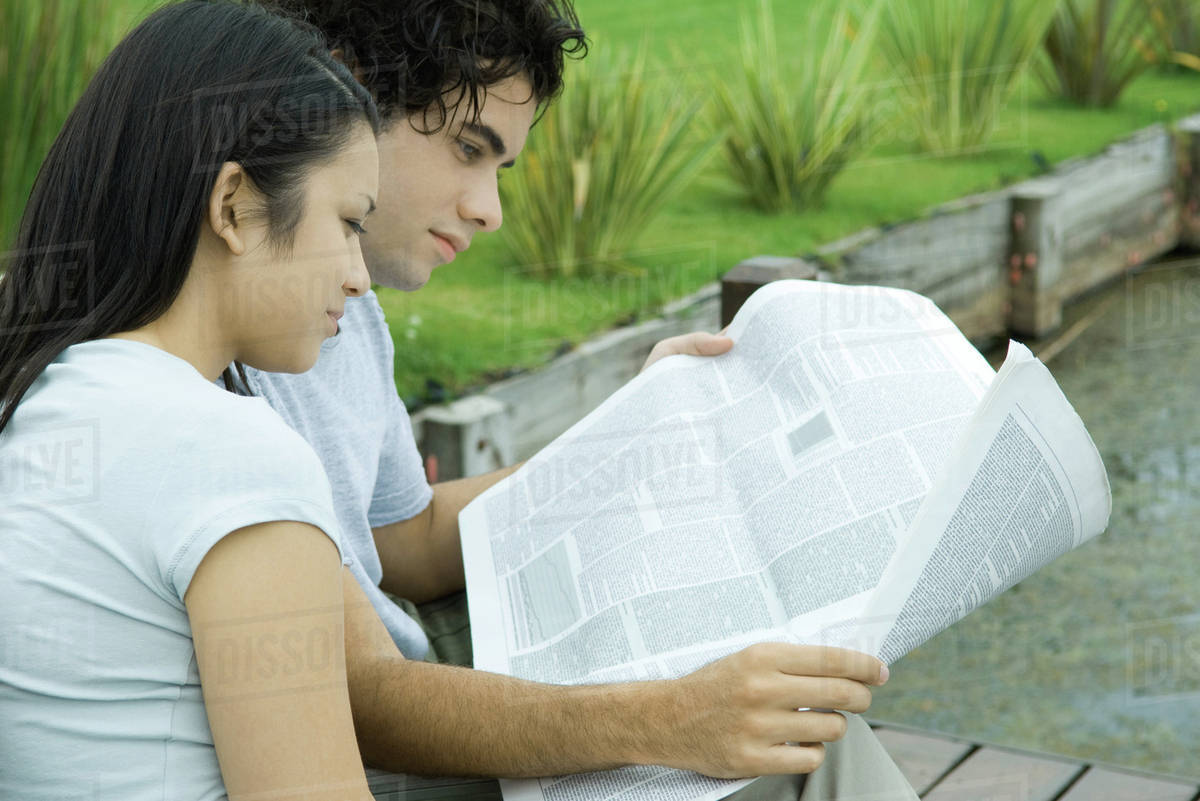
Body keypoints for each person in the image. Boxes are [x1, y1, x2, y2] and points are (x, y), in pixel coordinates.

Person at [252, 1, 919, 798]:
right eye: (469, 149)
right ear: (347, 91)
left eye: (499, 171)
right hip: (357, 756)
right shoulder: (229, 351)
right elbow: (353, 699)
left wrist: (633, 432)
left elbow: (405, 536)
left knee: (778, 701)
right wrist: (669, 716)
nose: (488, 211)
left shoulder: (346, 306)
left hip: (409, 672)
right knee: (792, 751)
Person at [0, 2, 385, 798]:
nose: (360, 274)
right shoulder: (230, 457)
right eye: (348, 222)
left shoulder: (31, 385)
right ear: (234, 206)